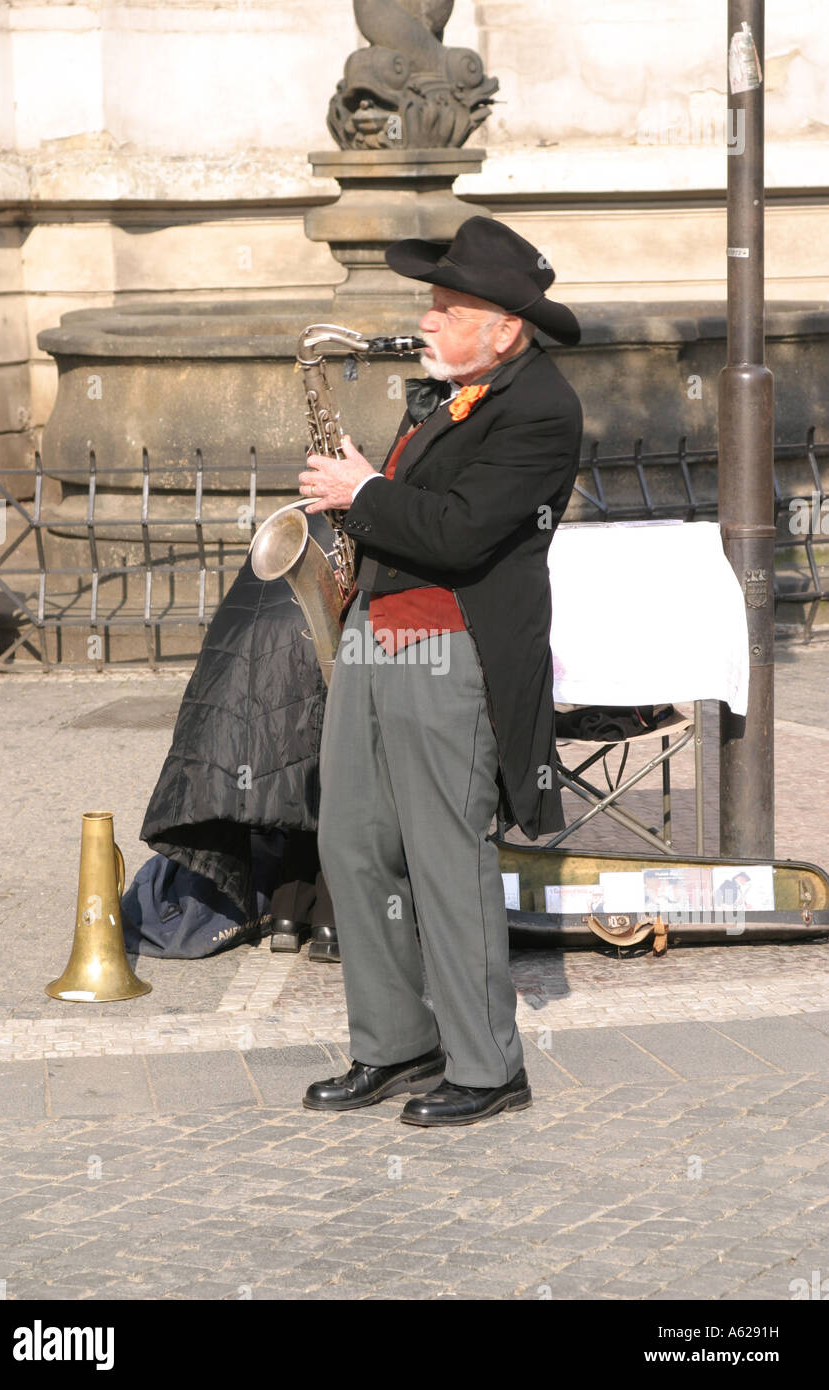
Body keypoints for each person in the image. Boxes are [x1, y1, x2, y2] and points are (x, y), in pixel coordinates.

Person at [298, 217, 583, 1126]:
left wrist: (363, 494)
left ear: (504, 327)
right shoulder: (444, 391)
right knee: (351, 841)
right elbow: (409, 513)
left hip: (449, 646)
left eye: (446, 306)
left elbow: (462, 531)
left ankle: (488, 1065)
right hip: (376, 634)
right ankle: (397, 1043)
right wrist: (355, 506)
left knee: (444, 857)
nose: (426, 319)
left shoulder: (539, 408)